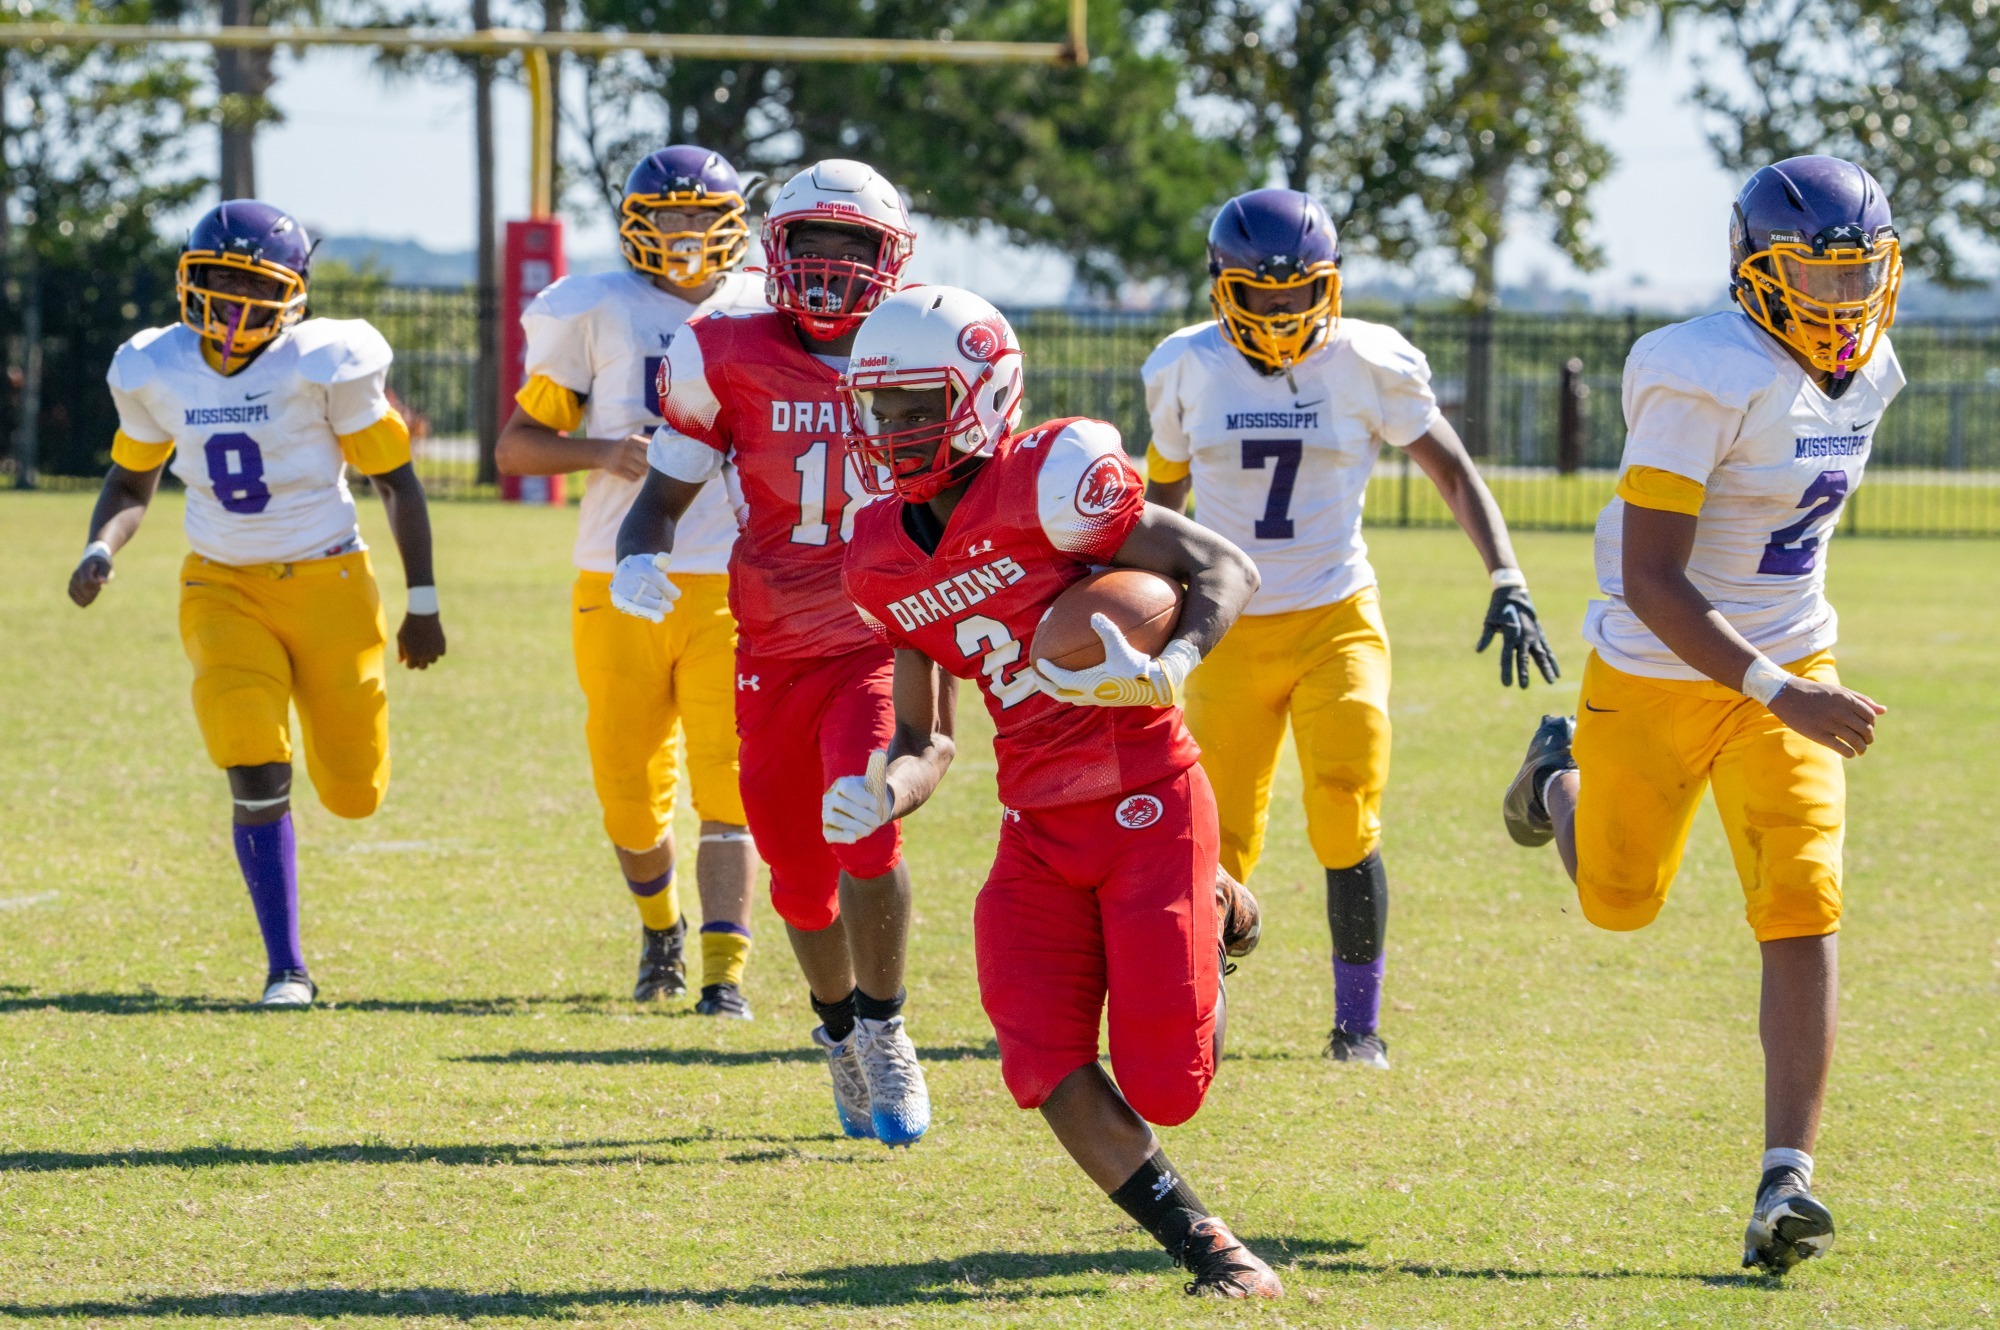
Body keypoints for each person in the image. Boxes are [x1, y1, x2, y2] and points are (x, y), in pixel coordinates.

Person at [832, 285, 1280, 1297]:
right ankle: (1203, 1245)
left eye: (916, 405)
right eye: (881, 409)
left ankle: (1219, 900)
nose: (894, 431)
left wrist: (1175, 664)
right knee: (1035, 1048)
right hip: (1036, 823)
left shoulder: (1052, 480)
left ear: (983, 393)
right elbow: (925, 736)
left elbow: (1222, 566)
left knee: (1171, 1081)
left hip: (1145, 801)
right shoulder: (876, 554)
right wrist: (885, 790)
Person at [1501, 155, 1904, 1273]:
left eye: (1855, 277)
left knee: (1801, 899)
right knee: (1616, 903)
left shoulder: (1872, 370)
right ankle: (1553, 778)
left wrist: (1789, 682)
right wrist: (1784, 690)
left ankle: (1786, 1179)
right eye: (1814, 281)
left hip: (1788, 664)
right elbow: (1651, 579)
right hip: (1656, 665)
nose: (1839, 304)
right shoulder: (1693, 369)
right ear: (1754, 272)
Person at [1142, 188, 1560, 1068]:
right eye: (1264, 293)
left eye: (1301, 292)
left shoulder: (1370, 359)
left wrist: (1508, 577)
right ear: (1223, 285)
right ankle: (1198, 1000)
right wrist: (1143, 606)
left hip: (1337, 614)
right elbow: (1163, 504)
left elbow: (1450, 469)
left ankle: (1357, 1027)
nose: (1286, 311)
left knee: (1346, 806)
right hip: (1225, 625)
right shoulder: (1185, 365)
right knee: (1217, 831)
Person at [612, 159, 932, 1144]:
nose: (832, 272)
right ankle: (835, 1029)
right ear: (774, 249)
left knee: (864, 828)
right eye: (814, 247)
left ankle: (886, 1027)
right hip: (769, 649)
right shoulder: (722, 347)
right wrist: (635, 557)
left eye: (854, 250)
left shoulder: (924, 344)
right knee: (794, 875)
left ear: (892, 261)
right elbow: (659, 497)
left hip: (875, 638)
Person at [66, 199, 445, 1008]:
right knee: (250, 750)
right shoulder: (155, 366)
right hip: (221, 582)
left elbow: (396, 479)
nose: (234, 306)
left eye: (254, 285)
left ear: (295, 292)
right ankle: (286, 965)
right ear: (188, 281)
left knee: (354, 792)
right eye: (218, 282)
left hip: (331, 581)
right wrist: (102, 545)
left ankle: (296, 923)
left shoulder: (325, 361)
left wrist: (423, 600)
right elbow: (133, 479)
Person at [498, 146, 766, 1017]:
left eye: (701, 216)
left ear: (732, 225)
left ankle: (725, 974)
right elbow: (515, 448)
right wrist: (600, 451)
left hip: (730, 577)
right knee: (626, 780)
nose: (686, 234)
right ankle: (662, 930)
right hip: (618, 573)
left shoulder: (765, 305)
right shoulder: (599, 308)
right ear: (635, 224)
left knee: (729, 781)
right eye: (670, 217)